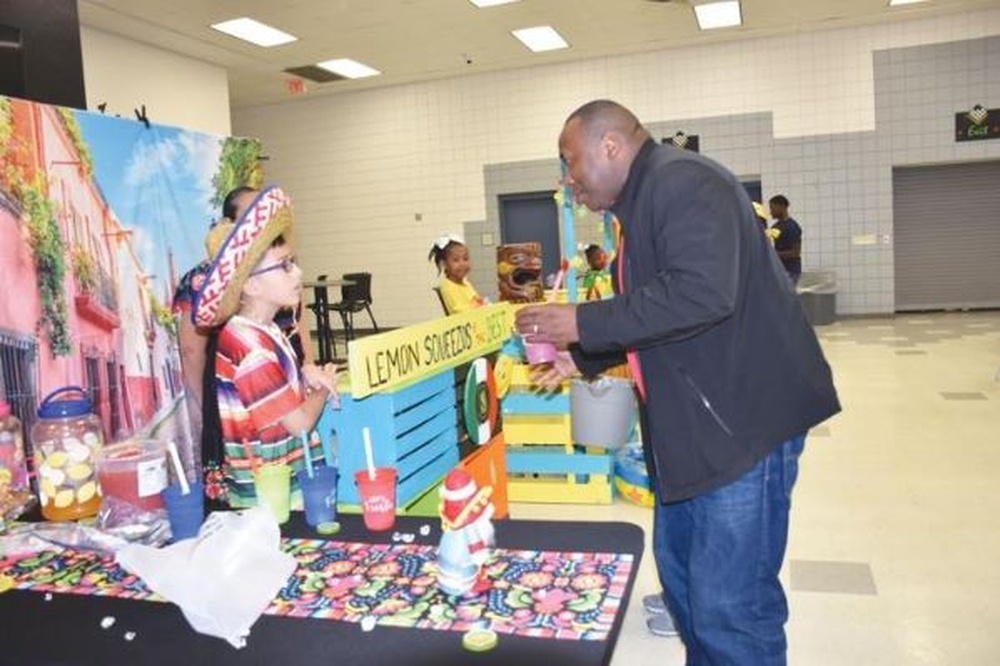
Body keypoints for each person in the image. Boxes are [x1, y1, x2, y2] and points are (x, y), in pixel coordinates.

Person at [515, 100, 840, 664]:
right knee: (690, 595)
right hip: (692, 435)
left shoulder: (682, 182)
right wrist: (584, 358)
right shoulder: (640, 206)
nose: (569, 180)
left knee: (731, 608)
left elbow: (703, 293)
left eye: (571, 162)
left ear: (610, 146)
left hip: (741, 429)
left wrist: (582, 323)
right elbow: (659, 311)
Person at [193, 186, 338, 509]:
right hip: (271, 501)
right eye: (285, 265)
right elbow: (299, 423)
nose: (298, 272)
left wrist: (303, 373)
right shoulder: (251, 346)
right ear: (251, 285)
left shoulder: (265, 329)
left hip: (281, 489)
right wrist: (324, 388)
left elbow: (274, 392)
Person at [429, 234, 485, 314]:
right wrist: (477, 306)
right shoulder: (447, 286)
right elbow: (459, 311)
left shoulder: (467, 284)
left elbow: (478, 301)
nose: (462, 264)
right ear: (444, 264)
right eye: (456, 260)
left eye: (465, 259)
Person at [768, 194, 802, 285]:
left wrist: (773, 254)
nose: (770, 212)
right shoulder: (775, 227)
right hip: (780, 270)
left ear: (782, 207)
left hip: (790, 272)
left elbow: (795, 253)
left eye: (772, 208)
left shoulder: (792, 227)